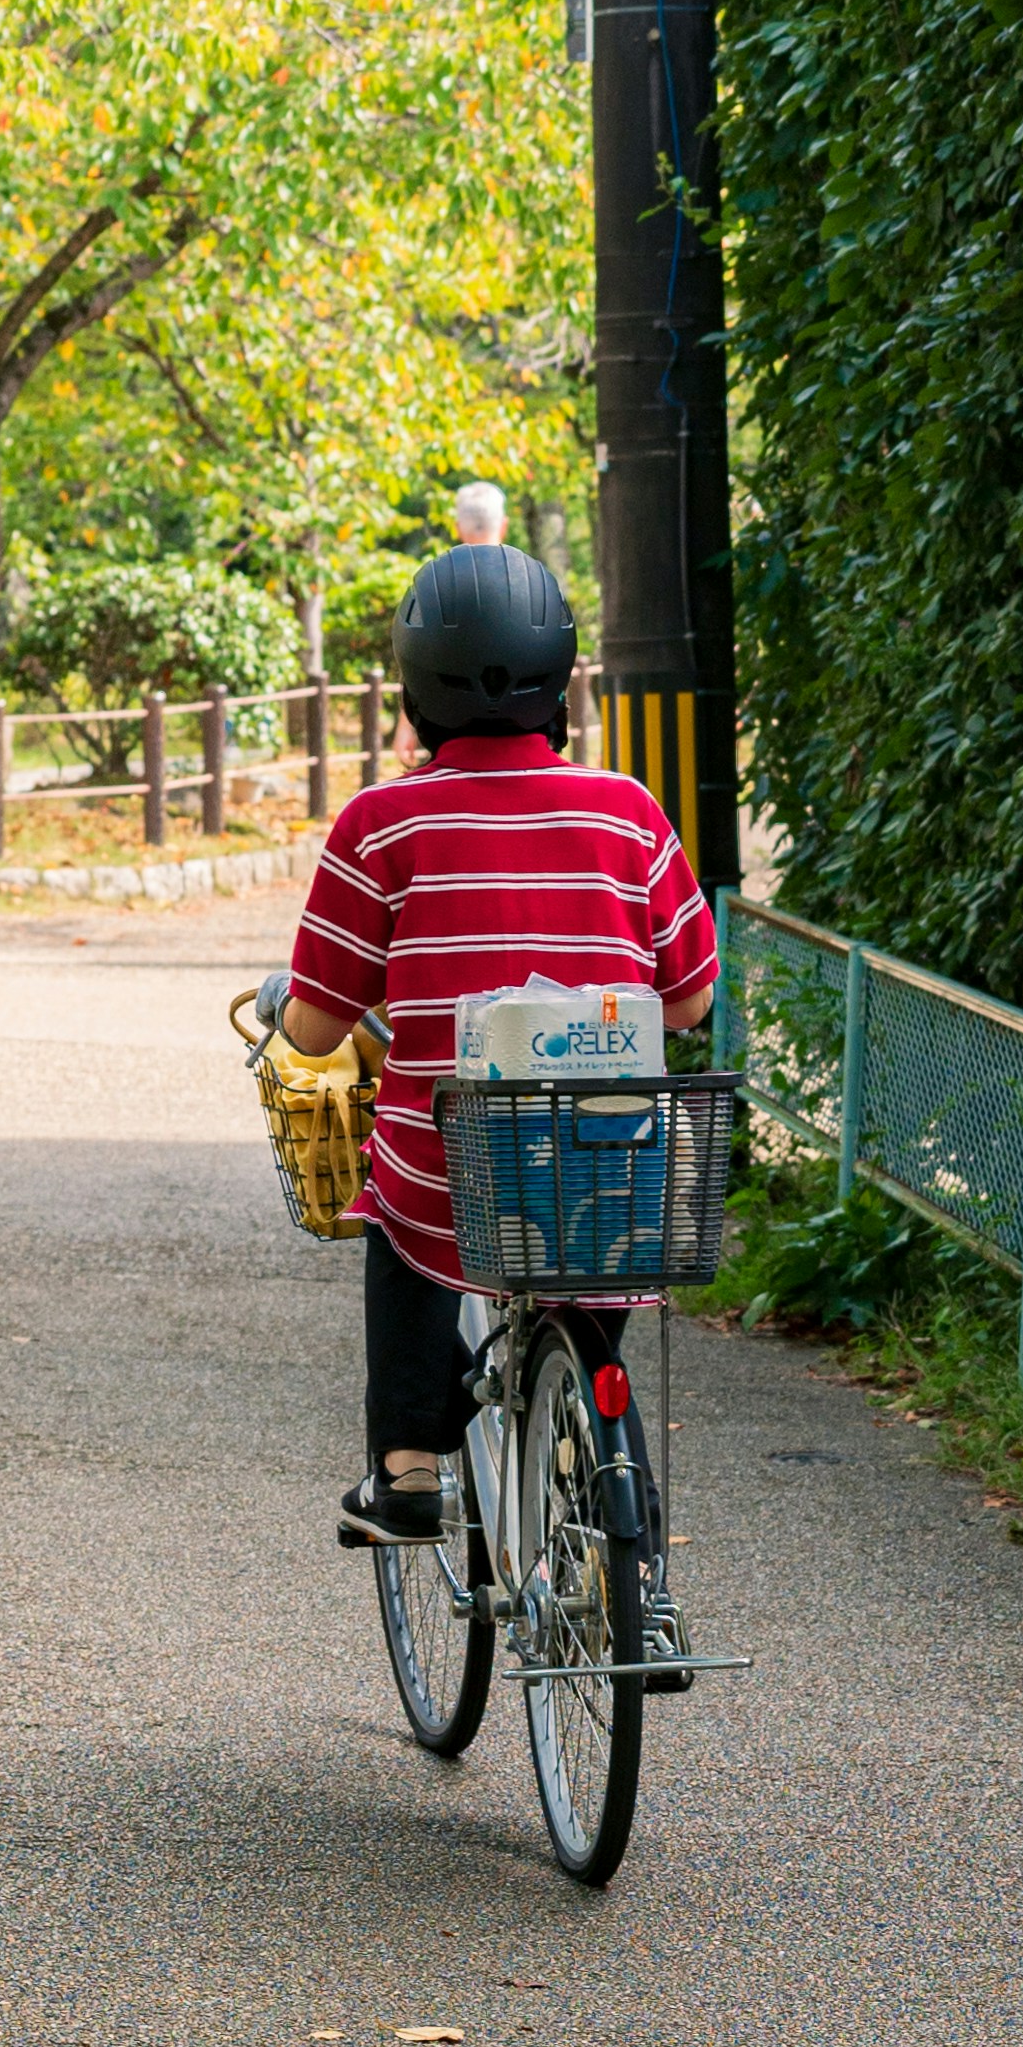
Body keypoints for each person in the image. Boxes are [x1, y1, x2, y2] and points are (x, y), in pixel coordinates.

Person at [270, 545, 714, 1539]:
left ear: (416, 687)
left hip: (453, 1172)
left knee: (396, 1211)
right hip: (606, 1161)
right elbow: (686, 1006)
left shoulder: (382, 824)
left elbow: (314, 1028)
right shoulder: (631, 815)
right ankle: (608, 1508)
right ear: (559, 680)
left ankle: (410, 1468)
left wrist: (286, 1002)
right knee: (588, 1254)